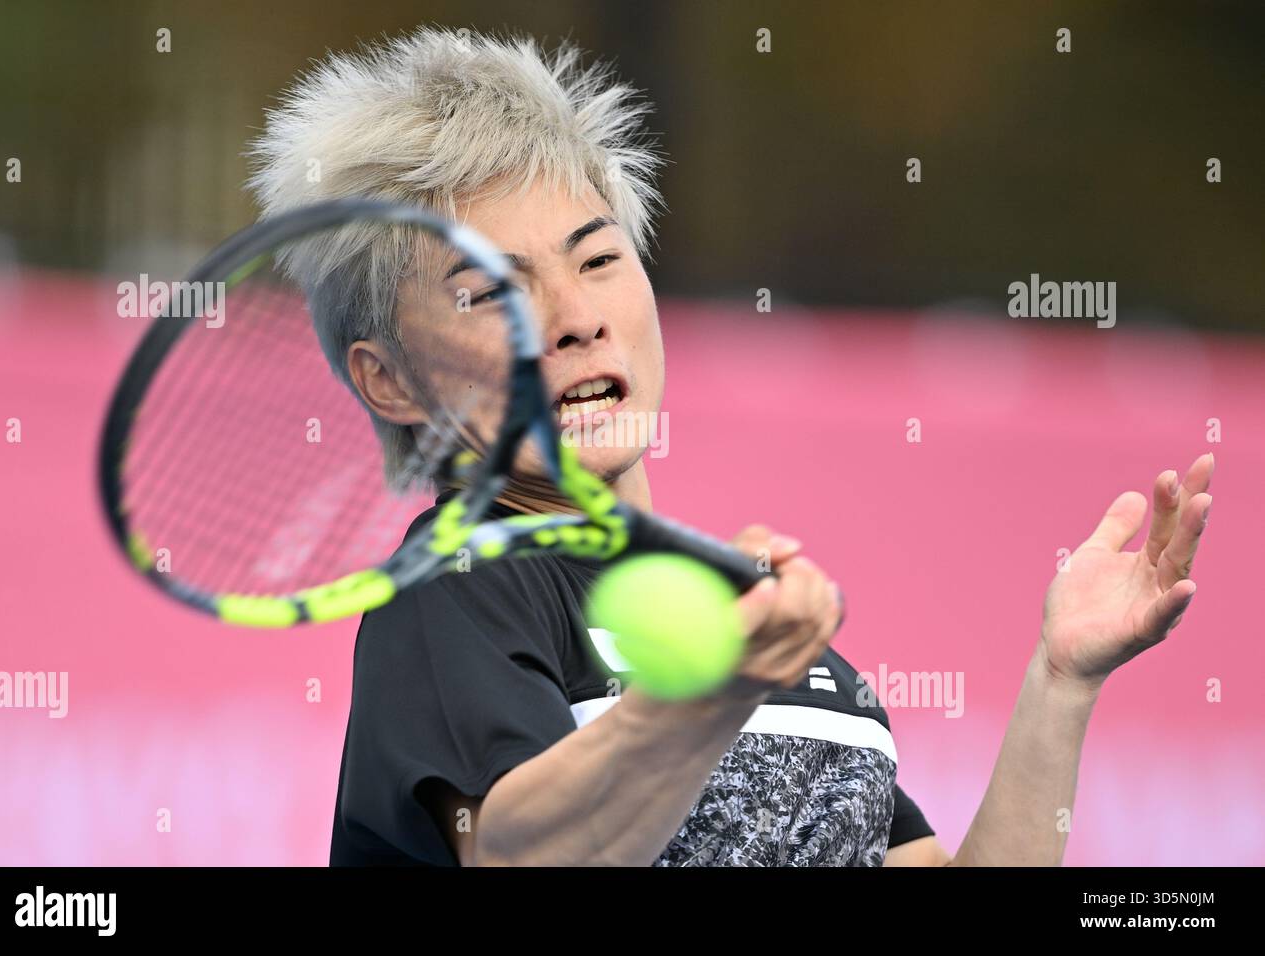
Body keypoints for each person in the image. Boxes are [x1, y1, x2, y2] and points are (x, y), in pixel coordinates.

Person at [248, 27, 1214, 866]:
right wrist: (704, 696)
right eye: (492, 291)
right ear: (390, 379)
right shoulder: (453, 587)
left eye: (597, 258)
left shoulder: (750, 620)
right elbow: (522, 854)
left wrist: (1061, 681)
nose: (574, 319)